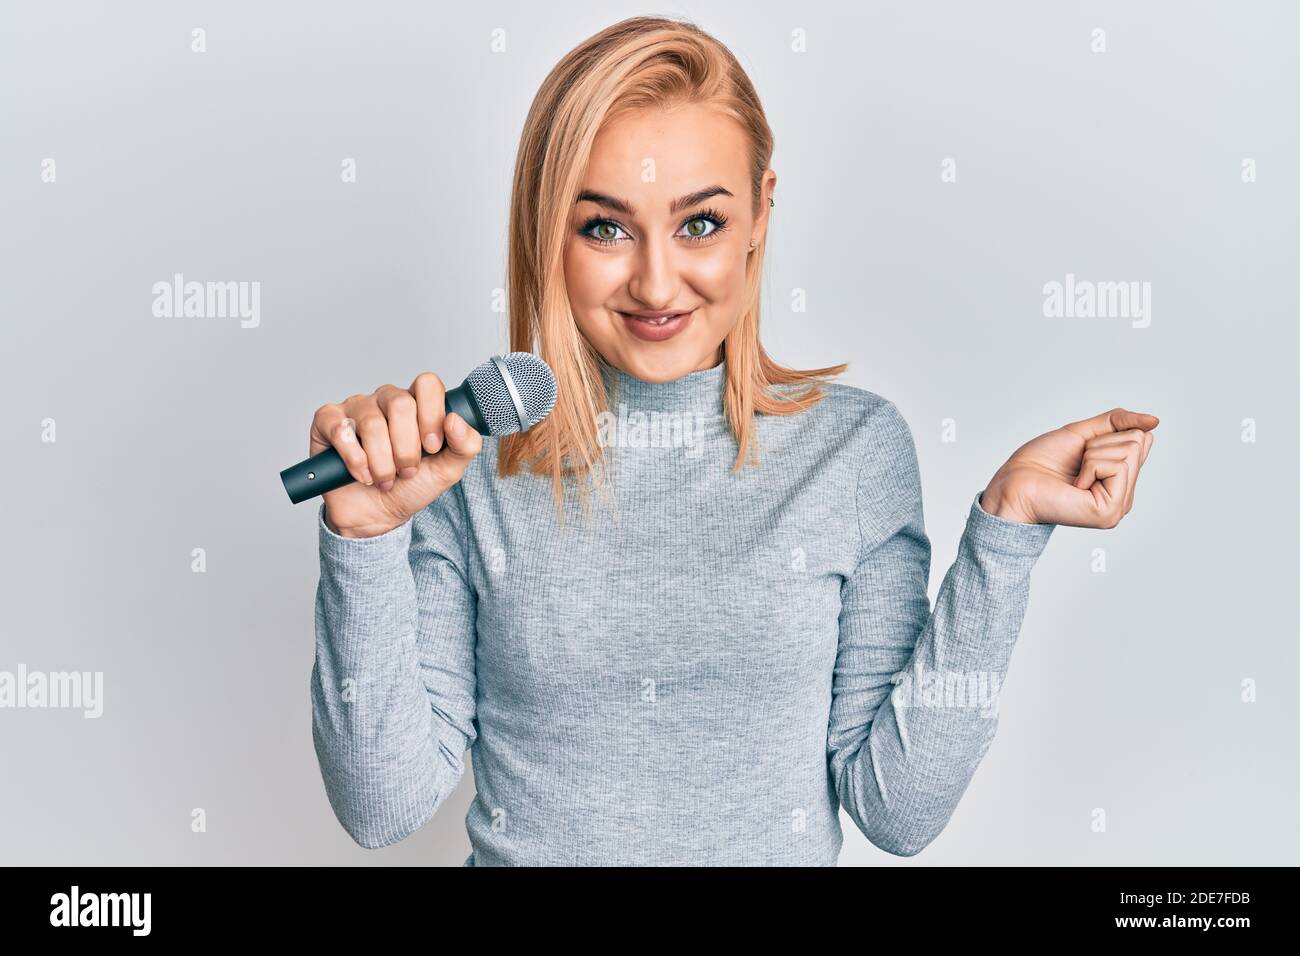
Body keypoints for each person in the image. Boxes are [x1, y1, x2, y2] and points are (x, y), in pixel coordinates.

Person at [307, 16, 1158, 865]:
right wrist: (365, 539)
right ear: (546, 233)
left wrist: (1005, 534)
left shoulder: (854, 452)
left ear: (760, 213)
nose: (655, 280)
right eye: (604, 226)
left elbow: (898, 813)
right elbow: (382, 806)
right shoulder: (465, 462)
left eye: (700, 224)